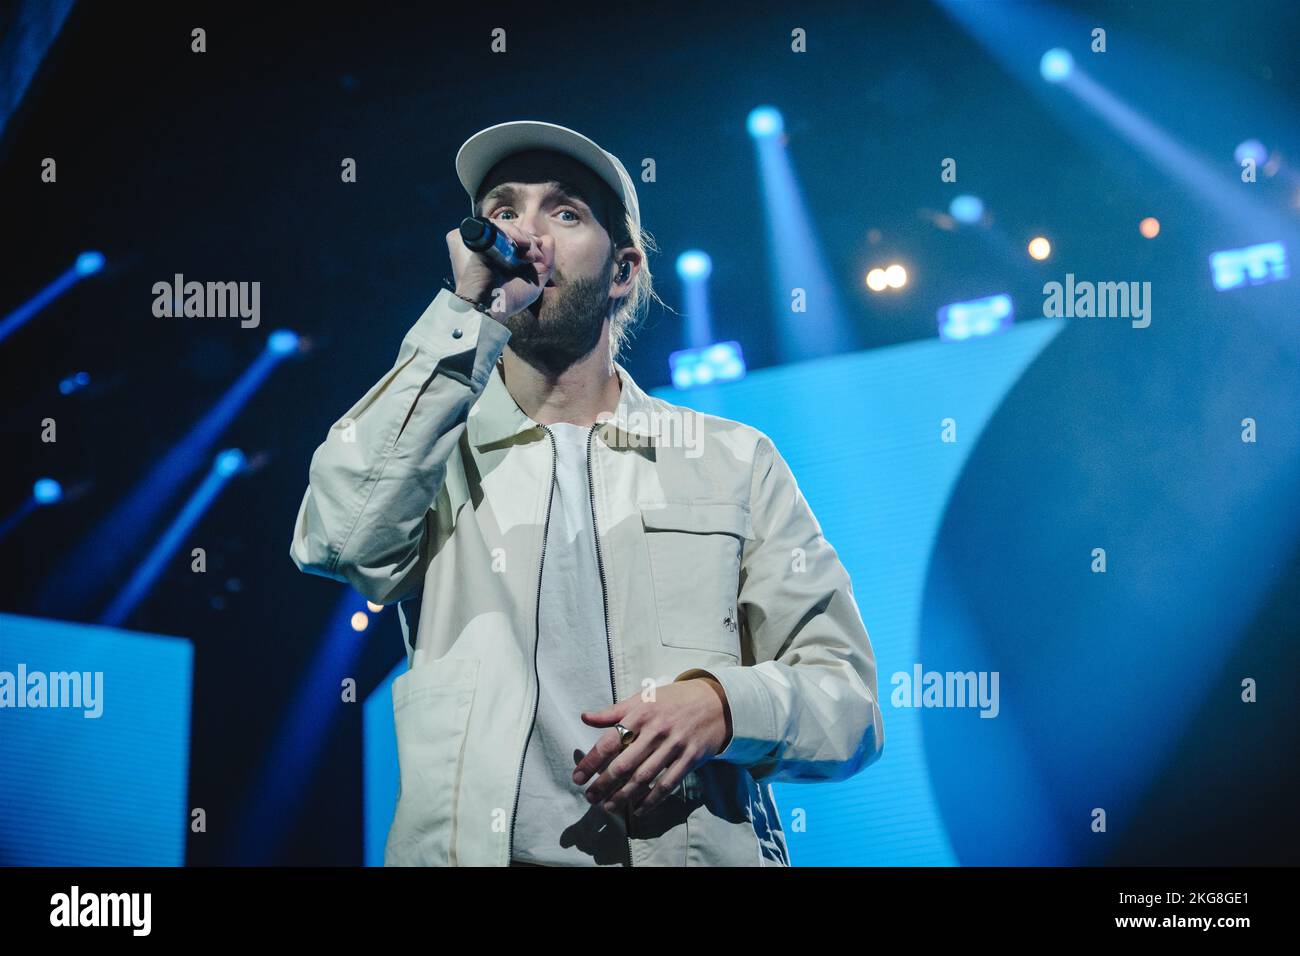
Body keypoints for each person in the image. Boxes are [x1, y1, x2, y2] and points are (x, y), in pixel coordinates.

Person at [289, 120, 884, 866]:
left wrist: (725, 706)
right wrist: (460, 321)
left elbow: (850, 704)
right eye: (503, 211)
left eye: (564, 212)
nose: (526, 234)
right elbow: (337, 541)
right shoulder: (431, 453)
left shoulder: (732, 461)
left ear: (625, 270)